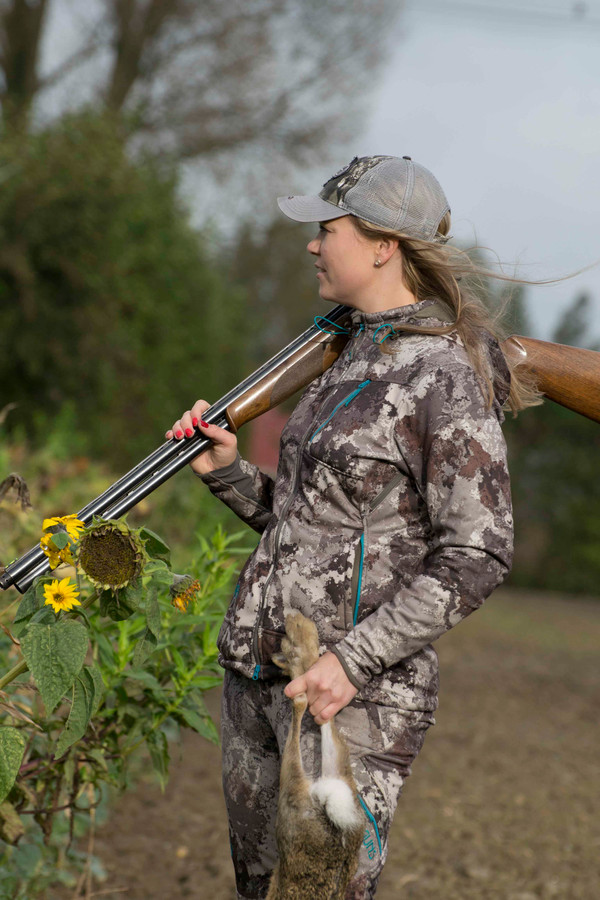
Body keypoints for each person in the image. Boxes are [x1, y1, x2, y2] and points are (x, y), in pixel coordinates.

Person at [166, 155, 540, 899]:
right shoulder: (347, 358)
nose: (311, 244)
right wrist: (228, 472)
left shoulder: (444, 376)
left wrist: (352, 662)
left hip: (349, 700)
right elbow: (314, 525)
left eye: (326, 229)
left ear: (382, 244)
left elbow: (477, 553)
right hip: (263, 675)